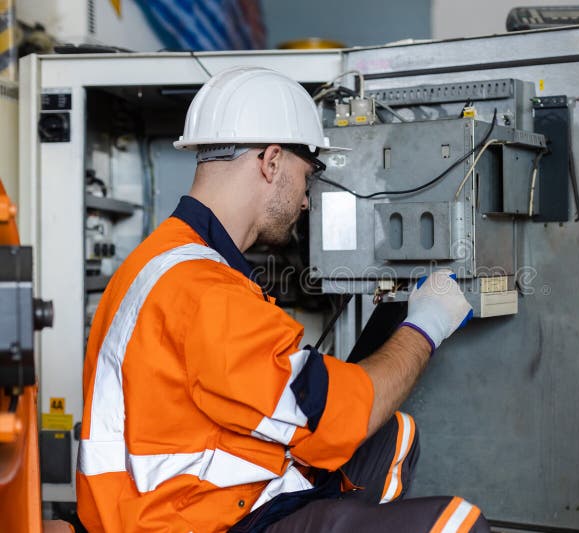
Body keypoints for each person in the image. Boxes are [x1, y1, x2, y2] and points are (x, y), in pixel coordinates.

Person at [76, 66, 489, 532]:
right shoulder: (204, 291)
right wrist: (426, 327)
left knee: (394, 439)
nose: (307, 202)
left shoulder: (165, 258)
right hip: (192, 521)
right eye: (306, 176)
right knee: (457, 524)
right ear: (271, 161)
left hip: (191, 502)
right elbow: (339, 416)